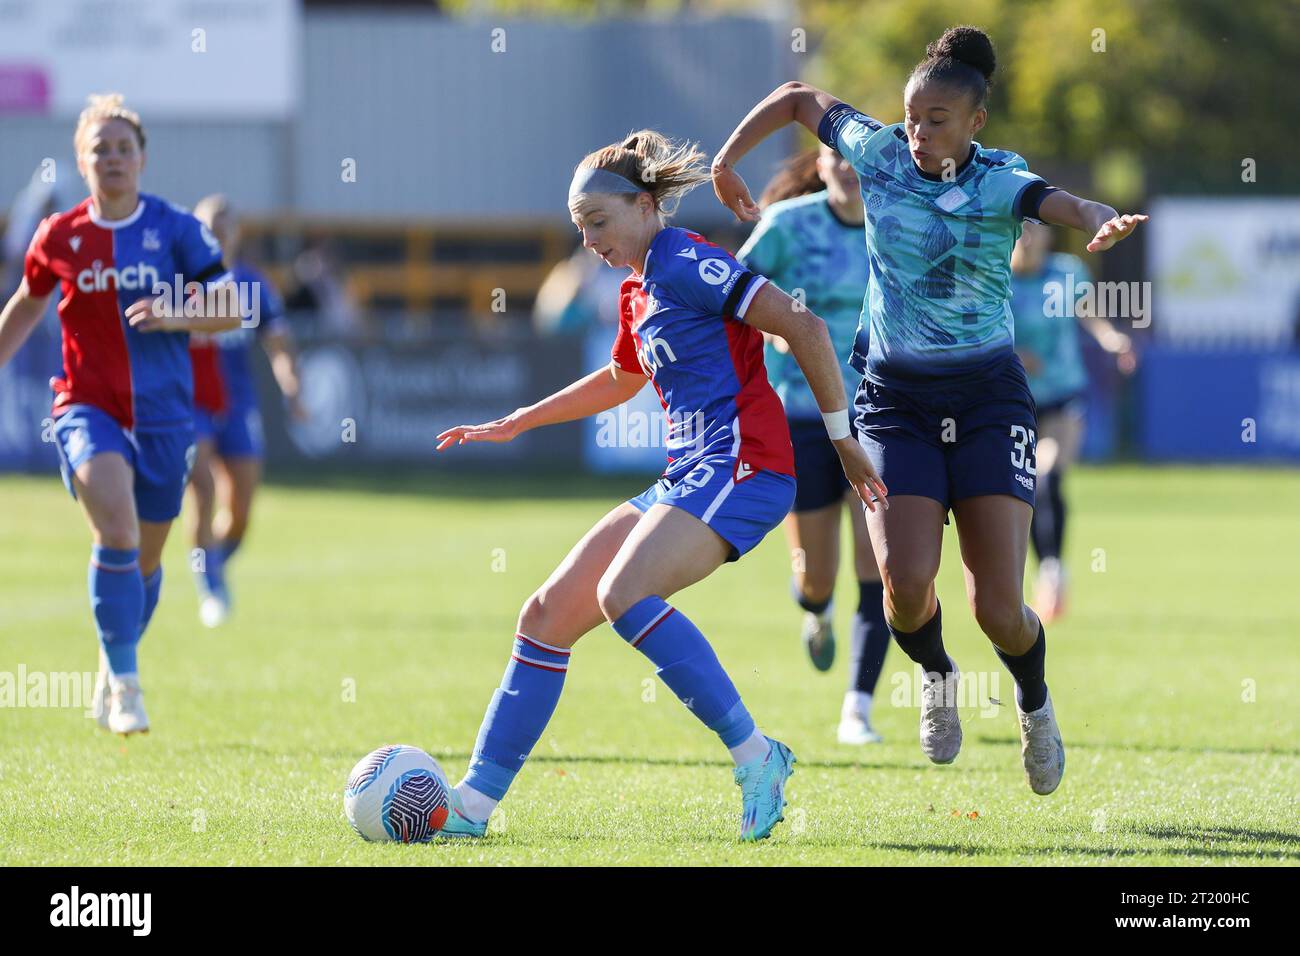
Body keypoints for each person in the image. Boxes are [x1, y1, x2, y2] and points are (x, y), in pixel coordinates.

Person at [711, 26, 1147, 795]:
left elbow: (1059, 201)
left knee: (997, 607)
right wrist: (724, 160)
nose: (917, 132)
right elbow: (795, 98)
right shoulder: (877, 154)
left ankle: (1035, 704)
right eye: (911, 116)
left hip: (987, 403)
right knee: (906, 586)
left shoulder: (1000, 180)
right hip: (891, 404)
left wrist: (1096, 215)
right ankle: (938, 679)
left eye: (936, 120)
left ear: (975, 121)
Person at [435, 129, 886, 840]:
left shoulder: (684, 261)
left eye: (598, 223)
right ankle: (473, 806)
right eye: (580, 228)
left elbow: (802, 325)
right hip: (689, 474)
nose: (589, 242)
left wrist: (842, 438)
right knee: (546, 615)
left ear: (646, 206)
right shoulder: (639, 288)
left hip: (743, 464)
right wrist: (519, 420)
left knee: (623, 594)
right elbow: (622, 378)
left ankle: (757, 756)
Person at [0, 93, 240, 735]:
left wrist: (176, 315)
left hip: (164, 418)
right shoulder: (60, 236)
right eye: (99, 148)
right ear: (83, 161)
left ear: (142, 159)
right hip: (85, 407)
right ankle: (129, 688)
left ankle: (113, 661)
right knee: (116, 528)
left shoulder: (178, 229)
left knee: (146, 564)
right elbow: (27, 303)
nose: (112, 158)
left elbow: (233, 307)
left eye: (123, 148)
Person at [736, 147, 891, 744]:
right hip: (801, 416)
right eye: (838, 157)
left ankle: (858, 707)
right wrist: (772, 333)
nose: (850, 168)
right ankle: (816, 610)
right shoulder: (787, 224)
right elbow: (735, 297)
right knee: (818, 577)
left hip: (878, 416)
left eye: (860, 158)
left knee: (878, 564)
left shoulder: (896, 224)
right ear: (820, 165)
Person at [185, 194, 304, 627]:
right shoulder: (180, 280)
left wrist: (291, 386)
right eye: (209, 223)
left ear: (237, 231)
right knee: (201, 485)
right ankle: (209, 586)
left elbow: (278, 343)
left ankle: (210, 560)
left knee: (240, 512)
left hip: (237, 406)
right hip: (190, 403)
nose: (217, 230)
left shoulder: (253, 285)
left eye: (225, 223)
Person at [1010, 221, 1136, 621]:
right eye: (1020, 230)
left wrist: (1112, 339)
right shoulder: (993, 277)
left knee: (1047, 476)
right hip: (1010, 401)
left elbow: (1090, 315)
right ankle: (1035, 570)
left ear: (1048, 236)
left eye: (1035, 230)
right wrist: (1011, 354)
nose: (1027, 238)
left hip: (1063, 394)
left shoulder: (1067, 272)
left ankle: (1053, 572)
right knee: (1024, 487)